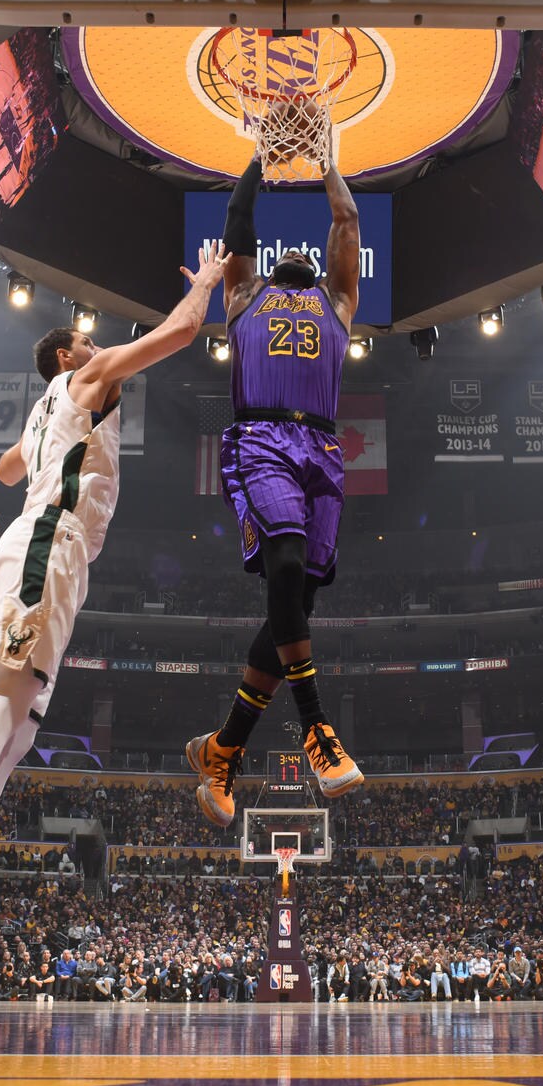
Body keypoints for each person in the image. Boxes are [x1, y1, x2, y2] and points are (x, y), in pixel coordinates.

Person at [0, 244, 230, 973]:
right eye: (88, 343)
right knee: (3, 705)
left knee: (18, 727)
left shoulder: (51, 407)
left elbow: (4, 467)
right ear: (67, 358)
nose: (100, 348)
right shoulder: (82, 379)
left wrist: (40, 442)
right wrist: (209, 283)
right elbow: (181, 334)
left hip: (46, 545)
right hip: (47, 543)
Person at [187, 139, 366, 824]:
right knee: (284, 565)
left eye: (308, 253)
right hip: (261, 436)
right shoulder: (241, 295)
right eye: (282, 253)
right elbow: (238, 218)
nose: (297, 253)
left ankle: (224, 748)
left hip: (320, 443)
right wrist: (264, 157)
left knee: (296, 605)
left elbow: (346, 220)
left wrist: (321, 159)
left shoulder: (337, 301)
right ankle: (317, 730)